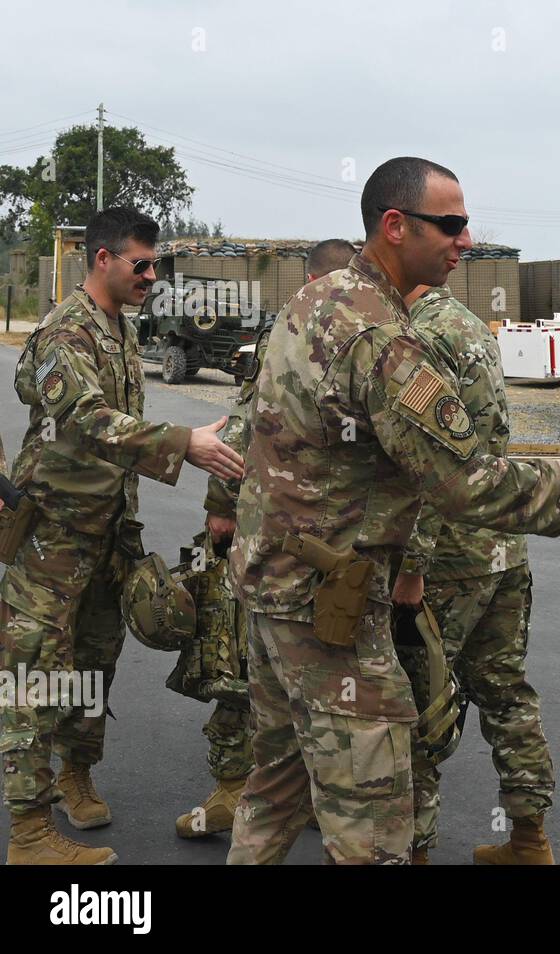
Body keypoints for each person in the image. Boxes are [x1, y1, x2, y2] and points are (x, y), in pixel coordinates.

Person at [225, 157, 560, 864]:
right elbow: (463, 482)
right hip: (329, 616)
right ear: (395, 226)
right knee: (375, 826)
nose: (467, 239)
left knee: (274, 789)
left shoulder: (312, 302)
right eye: (450, 225)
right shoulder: (381, 339)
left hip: (271, 591)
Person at [1, 207, 244, 865]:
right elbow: (82, 418)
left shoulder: (117, 328)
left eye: (156, 264)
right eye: (141, 264)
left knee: (94, 663)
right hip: (53, 537)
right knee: (33, 677)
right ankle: (28, 835)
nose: (152, 275)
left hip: (108, 531)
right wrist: (181, 443)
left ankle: (76, 776)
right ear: (102, 259)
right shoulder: (64, 332)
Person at [177, 238, 356, 840]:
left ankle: (238, 790)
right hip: (342, 549)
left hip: (271, 535)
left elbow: (250, 425)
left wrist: (220, 509)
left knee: (238, 656)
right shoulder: (379, 333)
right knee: (332, 667)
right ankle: (311, 791)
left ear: (308, 278)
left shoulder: (293, 329)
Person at [394, 282, 555, 864]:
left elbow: (431, 466)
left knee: (418, 707)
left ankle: (413, 850)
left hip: (449, 559)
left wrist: (411, 565)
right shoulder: (467, 325)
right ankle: (529, 838)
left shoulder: (420, 334)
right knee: (507, 694)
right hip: (503, 545)